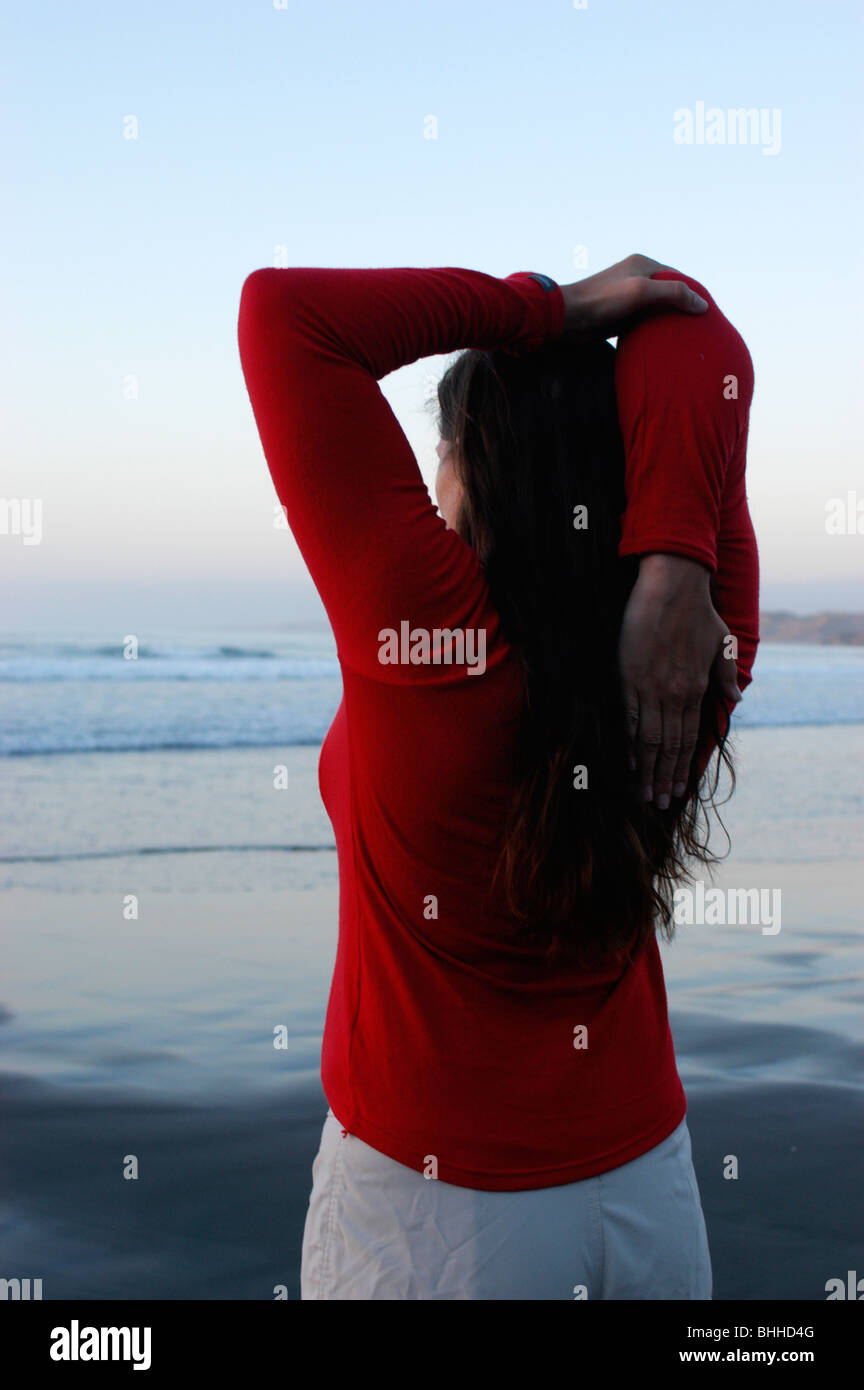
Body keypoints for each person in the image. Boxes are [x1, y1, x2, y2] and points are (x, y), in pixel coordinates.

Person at [237, 253, 759, 1300]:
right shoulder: (695, 648)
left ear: (478, 467)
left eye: (444, 449)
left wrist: (547, 307)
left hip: (434, 1217)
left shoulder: (426, 643)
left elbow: (283, 313)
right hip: (646, 1192)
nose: (432, 476)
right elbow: (701, 334)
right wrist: (669, 555)